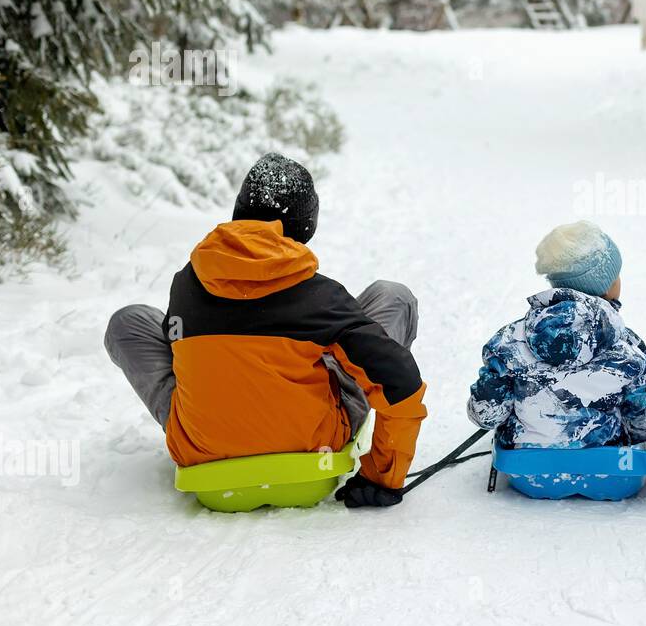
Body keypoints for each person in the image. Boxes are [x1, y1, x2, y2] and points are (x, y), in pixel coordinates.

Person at [104, 152, 428, 509]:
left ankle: (212, 426)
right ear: (306, 226)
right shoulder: (321, 297)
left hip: (206, 456)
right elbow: (399, 380)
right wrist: (381, 478)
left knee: (130, 320)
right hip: (311, 452)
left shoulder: (187, 285)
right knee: (391, 296)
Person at [466, 221, 646, 450]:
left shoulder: (510, 341)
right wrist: (641, 438)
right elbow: (641, 422)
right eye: (616, 275)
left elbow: (485, 415)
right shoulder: (628, 346)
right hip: (608, 470)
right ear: (606, 285)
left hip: (528, 474)